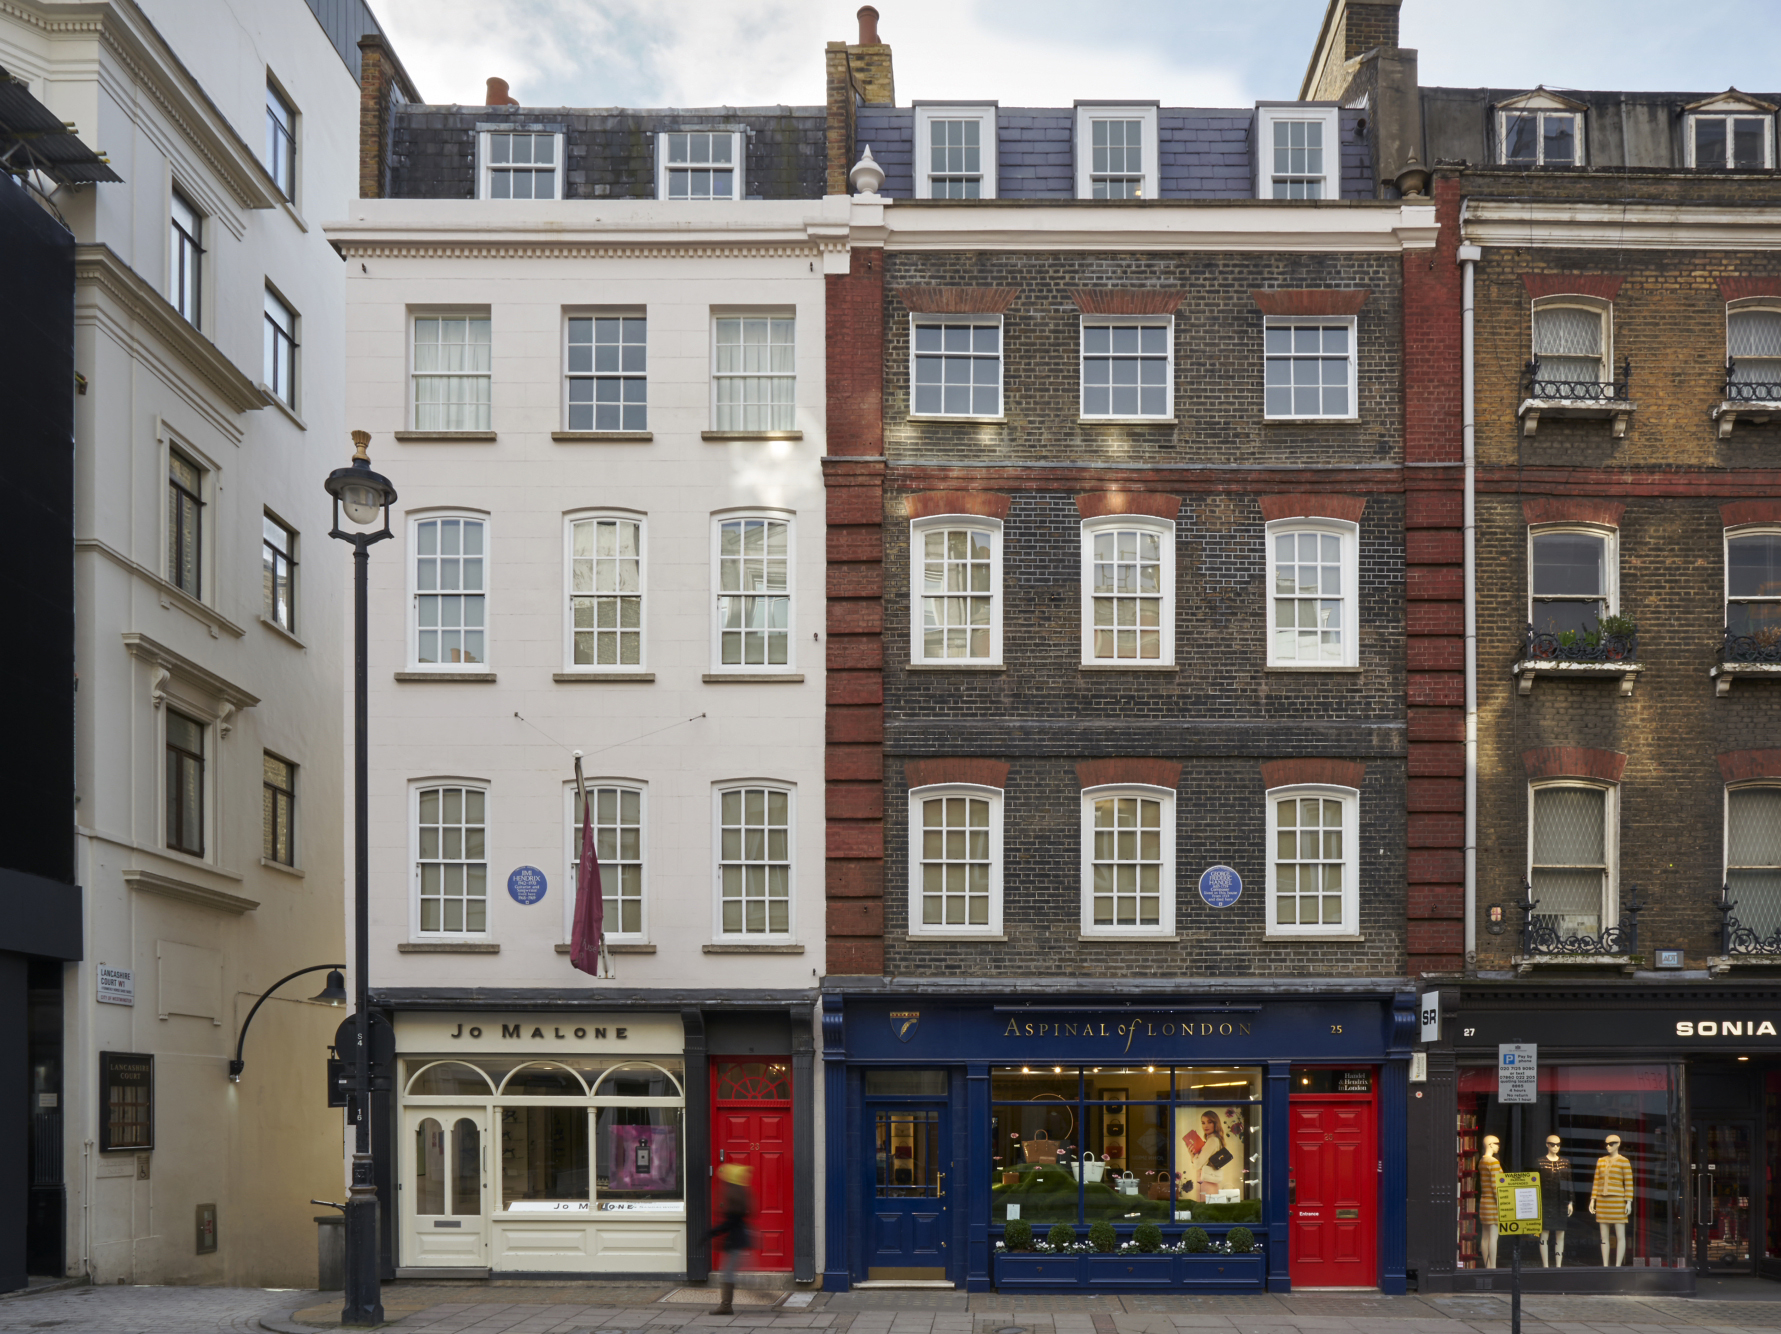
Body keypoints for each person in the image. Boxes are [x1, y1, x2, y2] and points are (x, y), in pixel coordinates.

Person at [710, 1162, 754, 1313]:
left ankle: (726, 1306)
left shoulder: (734, 1195)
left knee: (728, 1273)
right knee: (729, 1272)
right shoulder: (739, 1193)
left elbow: (731, 1221)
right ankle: (726, 1305)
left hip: (736, 1240)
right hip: (737, 1239)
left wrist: (712, 1232)